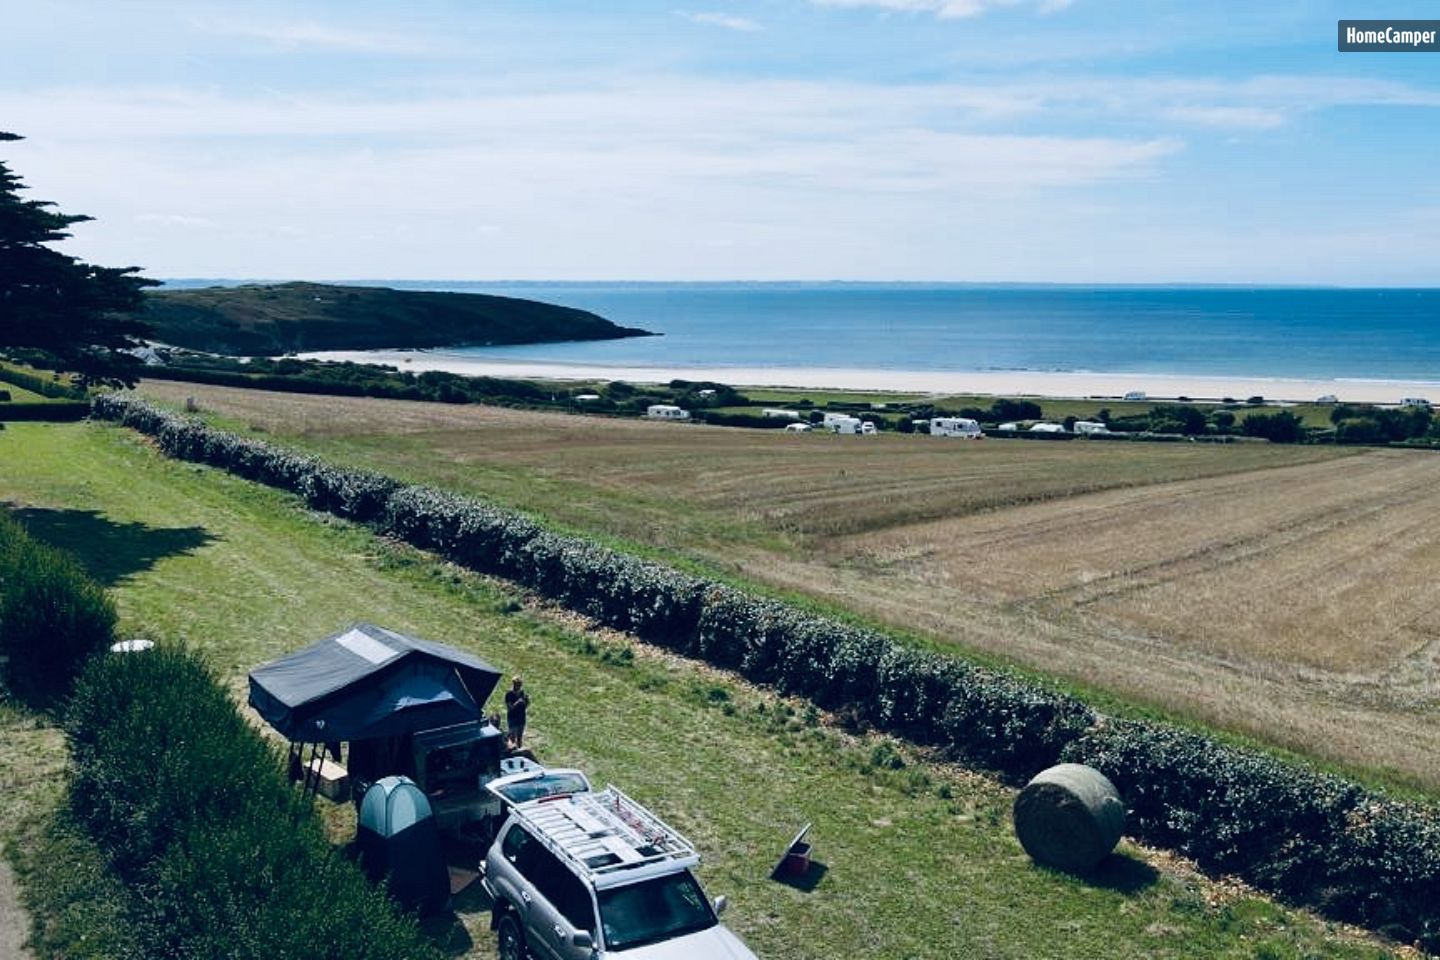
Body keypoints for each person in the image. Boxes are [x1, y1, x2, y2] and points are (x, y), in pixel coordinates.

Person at [504, 676, 530, 749]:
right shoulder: (509, 694)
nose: (518, 686)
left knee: (519, 737)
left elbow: (526, 705)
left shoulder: (522, 693)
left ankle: (519, 749)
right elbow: (510, 708)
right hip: (512, 718)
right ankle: (512, 751)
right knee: (512, 737)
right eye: (517, 684)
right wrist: (518, 702)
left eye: (519, 684)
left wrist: (526, 702)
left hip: (521, 717)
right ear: (514, 684)